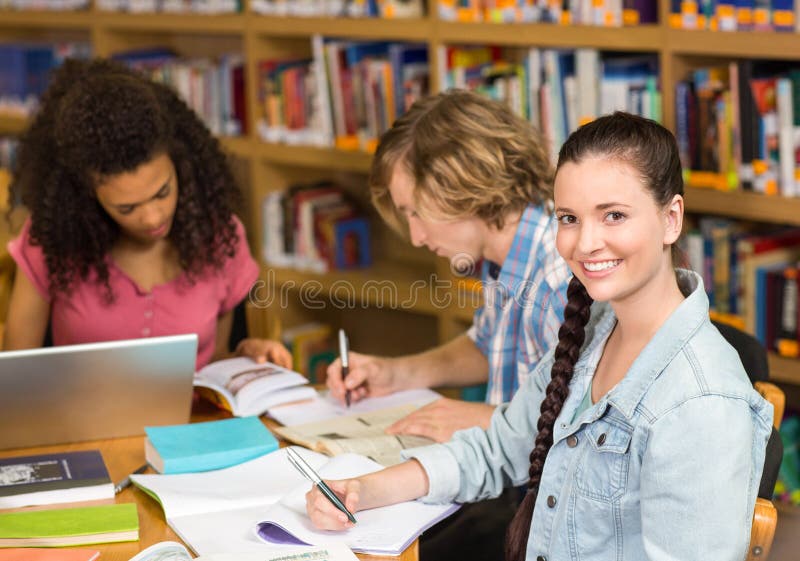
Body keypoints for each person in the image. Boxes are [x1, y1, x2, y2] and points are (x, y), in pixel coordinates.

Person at [305, 112, 774, 561]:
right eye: (569, 218)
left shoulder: (701, 403)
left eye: (613, 215)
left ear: (671, 219)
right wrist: (365, 490)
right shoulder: (594, 331)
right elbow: (496, 450)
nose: (585, 242)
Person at [3, 58, 291, 370]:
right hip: (82, 418)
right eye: (127, 208)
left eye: (163, 192)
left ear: (180, 165)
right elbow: (17, 375)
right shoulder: (53, 238)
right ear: (87, 197)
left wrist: (247, 357)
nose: (153, 218)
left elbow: (213, 366)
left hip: (191, 419)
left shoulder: (219, 236)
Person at [326, 90, 571, 443]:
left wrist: (486, 420)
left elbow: (590, 428)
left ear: (466, 184)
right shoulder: (507, 255)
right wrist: (395, 373)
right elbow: (490, 347)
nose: (415, 236)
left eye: (416, 212)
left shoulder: (559, 280)